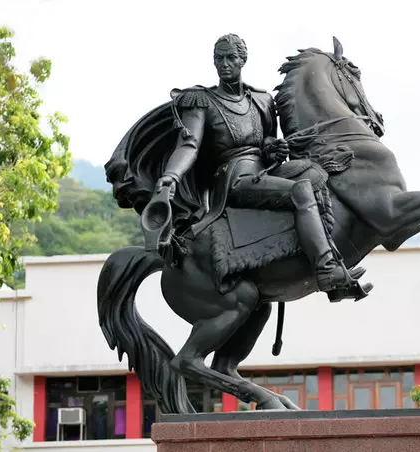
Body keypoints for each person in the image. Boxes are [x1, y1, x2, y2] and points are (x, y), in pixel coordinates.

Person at [154, 33, 364, 300]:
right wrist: (171, 176)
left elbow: (268, 144)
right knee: (300, 190)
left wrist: (274, 149)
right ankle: (326, 269)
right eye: (219, 59)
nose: (224, 64)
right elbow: (189, 145)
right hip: (233, 177)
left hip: (263, 171)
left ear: (243, 60)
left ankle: (310, 257)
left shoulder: (262, 100)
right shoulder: (200, 100)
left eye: (231, 58)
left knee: (314, 172)